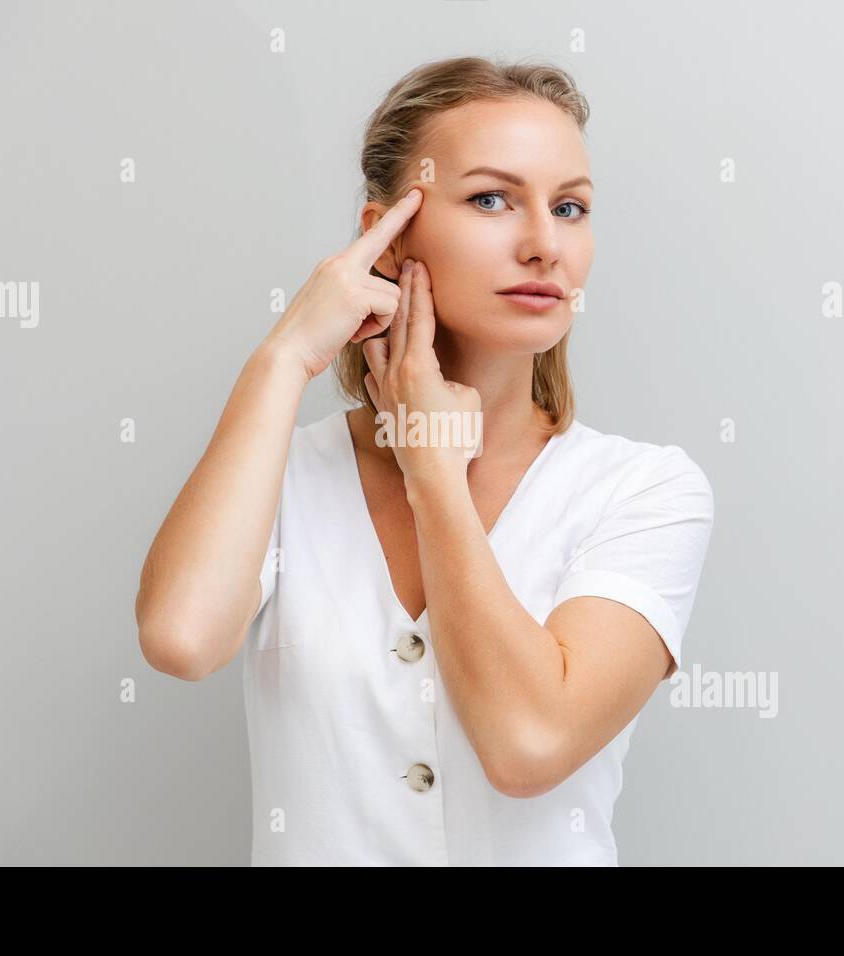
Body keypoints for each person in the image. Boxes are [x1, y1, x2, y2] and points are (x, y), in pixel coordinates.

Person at [134, 56, 715, 866]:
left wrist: (433, 468)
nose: (545, 245)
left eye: (571, 207)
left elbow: (528, 745)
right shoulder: (286, 474)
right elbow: (181, 638)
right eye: (491, 199)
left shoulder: (644, 491)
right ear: (389, 231)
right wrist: (284, 356)